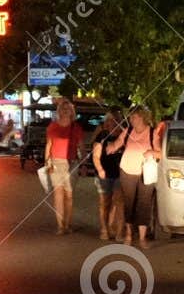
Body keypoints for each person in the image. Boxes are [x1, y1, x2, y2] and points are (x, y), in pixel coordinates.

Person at [115, 105, 160, 247]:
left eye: (133, 117)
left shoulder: (153, 133)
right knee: (129, 203)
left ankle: (142, 238)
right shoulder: (127, 131)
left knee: (144, 204)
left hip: (146, 173)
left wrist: (152, 153)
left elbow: (160, 154)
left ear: (142, 117)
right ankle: (128, 234)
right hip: (127, 171)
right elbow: (116, 144)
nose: (131, 119)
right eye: (130, 117)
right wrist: (108, 147)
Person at [43, 98, 83, 234]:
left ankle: (67, 224)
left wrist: (83, 164)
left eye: (68, 109)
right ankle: (60, 226)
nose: (65, 111)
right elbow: (49, 145)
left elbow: (81, 146)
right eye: (63, 108)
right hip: (55, 162)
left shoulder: (76, 128)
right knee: (58, 194)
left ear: (72, 112)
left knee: (69, 195)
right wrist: (46, 162)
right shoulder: (52, 126)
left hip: (71, 163)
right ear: (59, 111)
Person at [90, 110, 126, 241]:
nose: (112, 123)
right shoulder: (102, 136)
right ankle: (104, 229)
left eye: (116, 120)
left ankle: (119, 231)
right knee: (105, 203)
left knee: (119, 203)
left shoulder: (124, 137)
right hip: (104, 174)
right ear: (106, 122)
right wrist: (100, 169)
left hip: (120, 174)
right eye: (110, 121)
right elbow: (95, 156)